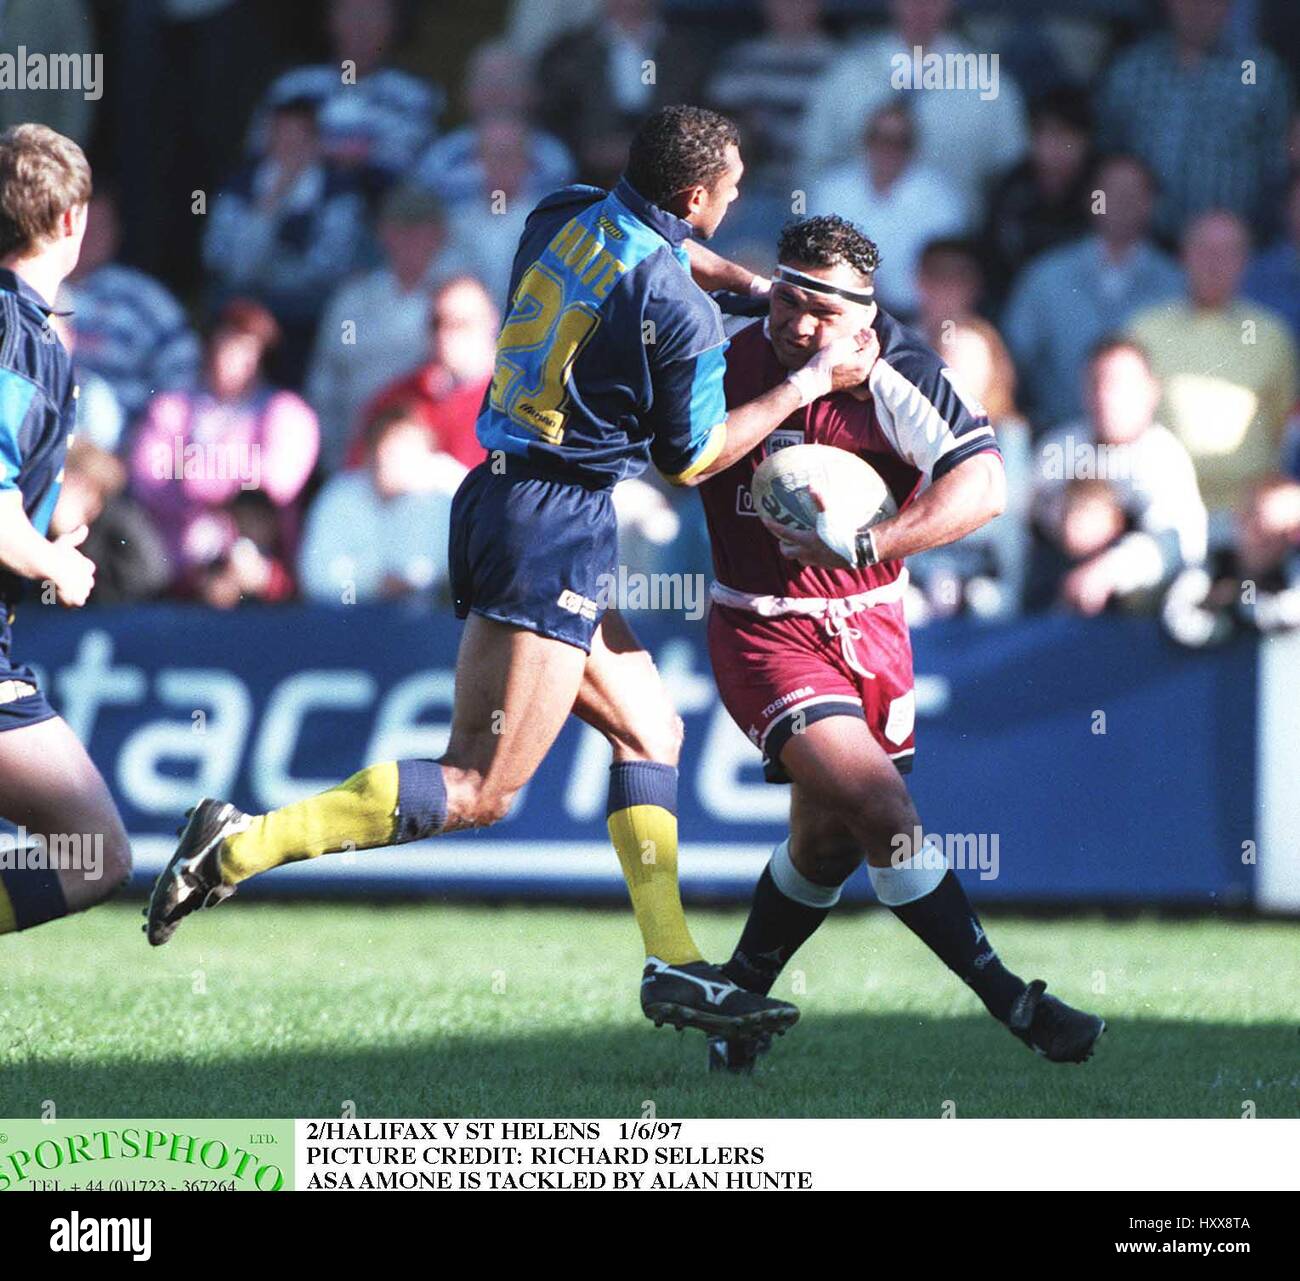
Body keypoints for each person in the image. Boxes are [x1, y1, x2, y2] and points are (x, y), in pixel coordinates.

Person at [145, 106, 876, 1042]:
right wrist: (802, 386)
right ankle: (238, 844)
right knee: (482, 785)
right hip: (555, 524)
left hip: (499, 492)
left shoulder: (563, 212)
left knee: (650, 725)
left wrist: (759, 288)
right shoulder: (680, 313)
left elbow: (655, 253)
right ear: (698, 198)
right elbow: (692, 459)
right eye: (729, 190)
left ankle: (674, 962)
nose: (735, 200)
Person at [697, 214, 1104, 1072]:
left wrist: (870, 544)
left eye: (819, 311)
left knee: (827, 844)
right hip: (763, 624)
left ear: (862, 312)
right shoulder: (733, 342)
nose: (796, 325)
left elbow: (985, 485)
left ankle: (732, 999)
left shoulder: (903, 371)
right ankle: (1017, 1003)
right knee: (884, 812)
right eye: (787, 298)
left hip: (872, 623)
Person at [0, 124, 131, 938]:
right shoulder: (20, 336)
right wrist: (53, 559)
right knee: (94, 853)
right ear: (74, 219)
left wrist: (46, 535)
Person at [130, 300, 318, 605]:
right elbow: (147, 479)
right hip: (174, 568)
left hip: (258, 566)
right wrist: (228, 476)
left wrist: (193, 473)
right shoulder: (171, 406)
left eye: (245, 349)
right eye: (224, 345)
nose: (230, 358)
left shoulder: (287, 412)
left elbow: (275, 483)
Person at [1128, 210, 1298, 539]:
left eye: (1228, 252)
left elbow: (1285, 428)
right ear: (1183, 257)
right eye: (1204, 250)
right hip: (1156, 512)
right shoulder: (1144, 331)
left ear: (1245, 262)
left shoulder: (1272, 336)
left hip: (1250, 521)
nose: (1214, 263)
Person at [1003, 154, 1183, 430]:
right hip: (1055, 441)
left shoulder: (1176, 283)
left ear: (1151, 204)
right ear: (1092, 200)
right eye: (1109, 192)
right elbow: (1011, 363)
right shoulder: (1046, 277)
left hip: (1145, 446)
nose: (1121, 202)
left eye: (1133, 193)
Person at [1033, 337, 1207, 617]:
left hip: (1139, 619)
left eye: (1120, 384)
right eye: (1097, 383)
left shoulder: (1164, 455)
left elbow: (1177, 546)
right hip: (1056, 605)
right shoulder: (1057, 447)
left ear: (1152, 390)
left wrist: (1109, 569)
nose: (1106, 395)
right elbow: (1026, 527)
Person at [810, 102, 968, 319]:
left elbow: (948, 271)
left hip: (917, 318)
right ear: (865, 141)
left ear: (913, 147)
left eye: (899, 142)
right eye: (880, 138)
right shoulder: (832, 189)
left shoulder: (941, 196)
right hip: (843, 312)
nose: (888, 149)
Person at [300, 403, 465, 606]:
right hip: (356, 622)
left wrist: (420, 583)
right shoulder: (340, 495)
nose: (386, 457)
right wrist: (374, 583)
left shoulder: (450, 488)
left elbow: (464, 568)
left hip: (439, 621)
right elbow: (316, 576)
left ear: (424, 450)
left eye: (400, 448)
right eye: (382, 446)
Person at [345, 275, 495, 471]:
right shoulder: (397, 400)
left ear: (491, 323)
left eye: (460, 323)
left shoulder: (515, 405)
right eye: (437, 323)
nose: (445, 335)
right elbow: (357, 475)